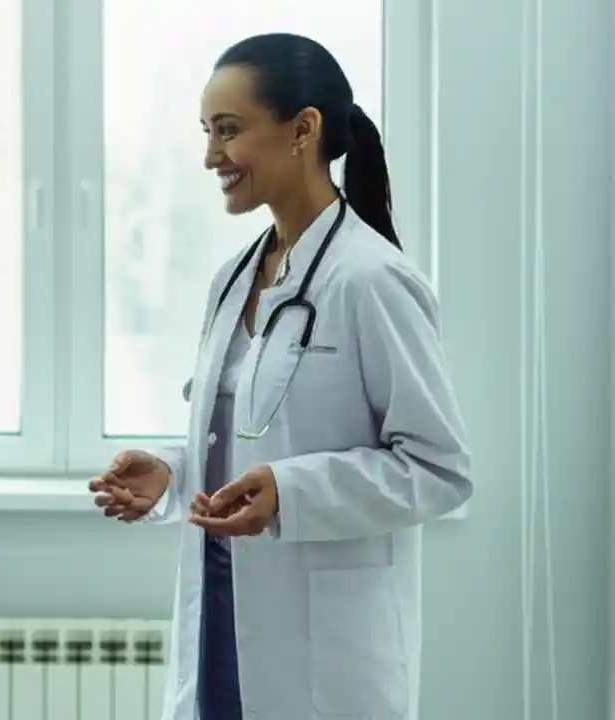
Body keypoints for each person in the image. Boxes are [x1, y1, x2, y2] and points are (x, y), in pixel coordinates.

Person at [89, 33, 472, 720]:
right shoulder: (234, 280)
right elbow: (252, 440)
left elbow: (439, 469)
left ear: (303, 130)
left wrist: (290, 495)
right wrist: (175, 476)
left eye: (228, 132)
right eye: (207, 133)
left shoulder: (372, 281)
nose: (210, 157)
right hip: (222, 617)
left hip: (325, 654)